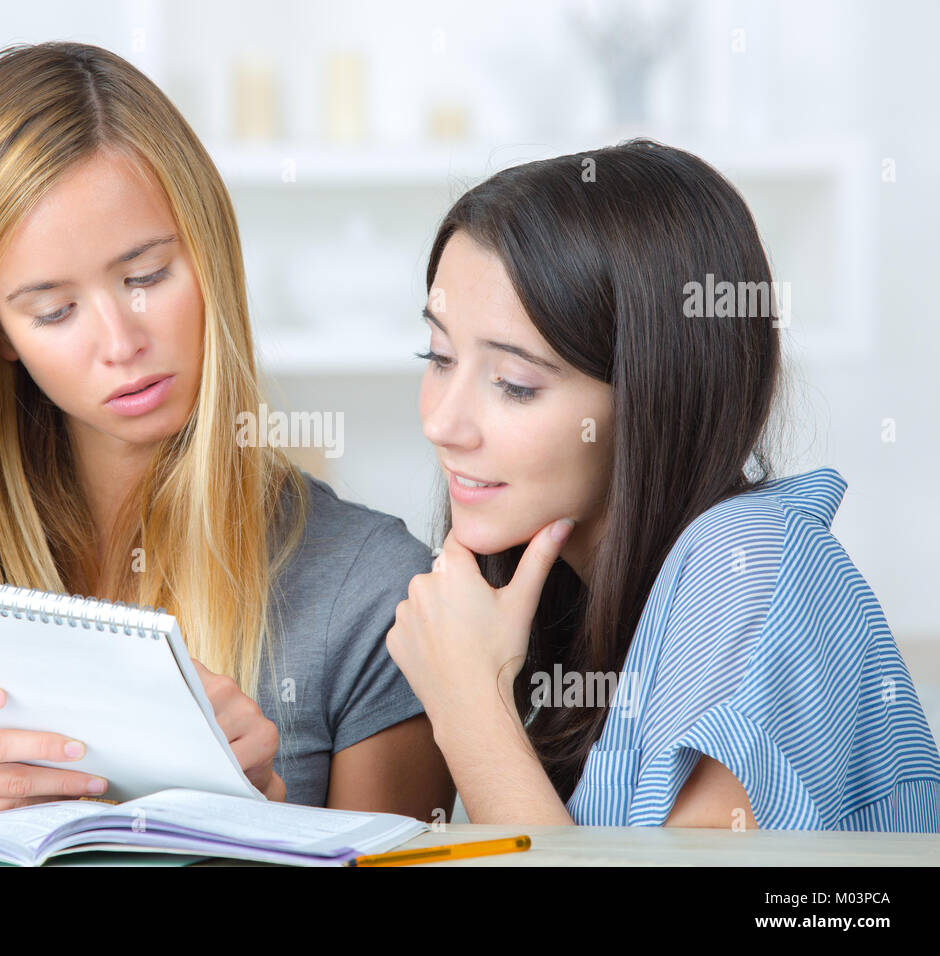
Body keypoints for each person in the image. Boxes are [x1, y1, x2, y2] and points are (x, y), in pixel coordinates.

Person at [0, 41, 455, 820]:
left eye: (145, 276)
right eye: (53, 309)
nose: (120, 342)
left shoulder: (372, 587)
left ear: (211, 247)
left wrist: (261, 830)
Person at [386, 139, 940, 830]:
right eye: (436, 357)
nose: (441, 422)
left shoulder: (751, 558)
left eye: (513, 384)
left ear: (657, 394)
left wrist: (470, 709)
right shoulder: (590, 605)